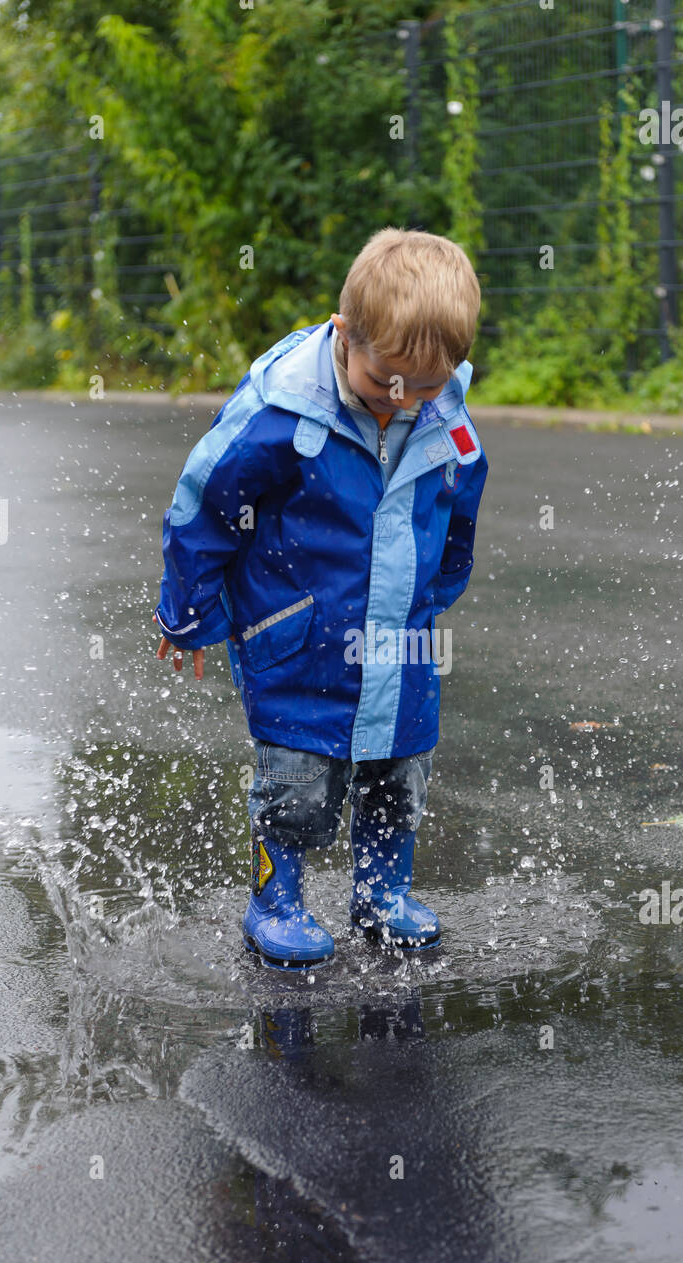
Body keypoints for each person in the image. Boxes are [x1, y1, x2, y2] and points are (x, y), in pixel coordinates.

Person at [153, 226, 488, 970]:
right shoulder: (280, 414)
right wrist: (187, 612)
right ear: (344, 337)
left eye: (426, 387)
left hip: (402, 635)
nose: (398, 403)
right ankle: (275, 899)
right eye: (384, 384)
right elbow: (204, 503)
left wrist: (437, 590)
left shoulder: (444, 414)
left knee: (400, 770)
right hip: (296, 633)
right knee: (298, 787)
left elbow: (459, 504)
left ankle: (381, 892)